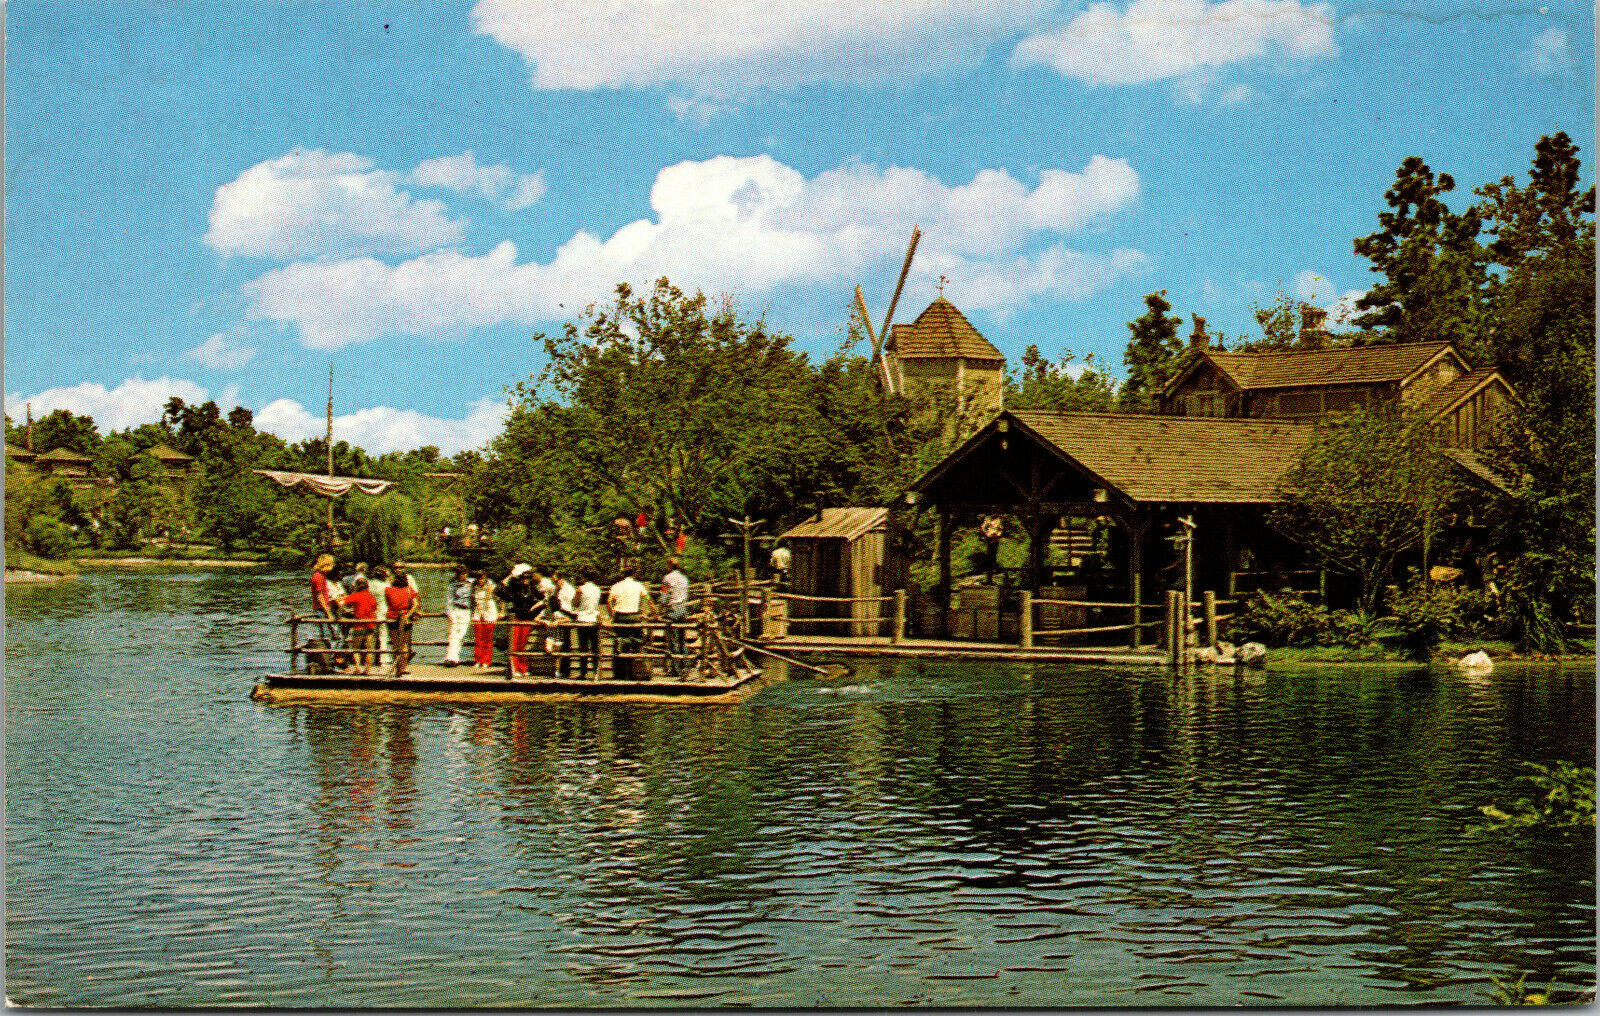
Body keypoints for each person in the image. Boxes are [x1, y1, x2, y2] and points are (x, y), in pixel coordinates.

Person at [501, 564, 544, 677]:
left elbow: (543, 600)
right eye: (523, 578)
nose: (525, 580)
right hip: (517, 618)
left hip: (528, 619)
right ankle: (514, 668)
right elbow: (499, 591)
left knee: (522, 645)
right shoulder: (515, 588)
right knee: (514, 644)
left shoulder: (532, 589)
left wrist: (534, 611)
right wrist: (510, 576)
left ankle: (523, 668)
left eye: (528, 578)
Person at [384, 560, 422, 675]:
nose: (399, 569)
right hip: (405, 617)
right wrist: (410, 614)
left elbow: (388, 602)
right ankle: (401, 668)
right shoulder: (408, 590)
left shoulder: (388, 589)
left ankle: (398, 668)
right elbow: (415, 602)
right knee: (404, 646)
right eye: (396, 567)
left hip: (392, 617)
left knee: (396, 645)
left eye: (401, 567)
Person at [608, 566, 648, 671]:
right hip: (633, 616)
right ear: (633, 574)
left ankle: (620, 669)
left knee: (620, 640)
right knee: (636, 640)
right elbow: (647, 598)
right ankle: (634, 667)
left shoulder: (616, 586)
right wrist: (653, 612)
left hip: (620, 616)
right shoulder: (638, 585)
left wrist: (612, 614)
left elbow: (609, 601)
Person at [338, 577, 379, 674]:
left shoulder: (355, 595)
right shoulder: (371, 596)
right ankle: (367, 670)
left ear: (357, 586)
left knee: (356, 648)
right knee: (369, 648)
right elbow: (374, 609)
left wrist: (341, 613)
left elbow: (341, 603)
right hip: (370, 623)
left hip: (358, 625)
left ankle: (357, 668)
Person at [659, 557, 691, 676]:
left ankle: (675, 669)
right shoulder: (684, 579)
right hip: (682, 609)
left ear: (670, 566)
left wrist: (660, 610)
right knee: (682, 639)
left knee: (672, 640)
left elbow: (663, 595)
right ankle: (685, 666)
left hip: (672, 610)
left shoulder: (666, 579)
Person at [573, 570, 602, 679]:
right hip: (593, 619)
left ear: (584, 577)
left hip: (582, 619)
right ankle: (596, 672)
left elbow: (574, 603)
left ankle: (583, 672)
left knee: (583, 647)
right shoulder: (597, 589)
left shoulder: (580, 589)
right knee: (595, 646)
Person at [551, 569, 578, 678]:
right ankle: (559, 670)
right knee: (558, 645)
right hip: (559, 617)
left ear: (561, 579)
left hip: (566, 617)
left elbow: (572, 607)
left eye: (556, 581)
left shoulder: (569, 590)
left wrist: (565, 618)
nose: (555, 584)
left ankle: (565, 670)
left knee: (565, 644)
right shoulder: (557, 589)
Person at [443, 566, 472, 667]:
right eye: (461, 573)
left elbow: (487, 583)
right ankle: (451, 658)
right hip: (455, 609)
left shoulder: (471, 583)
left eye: (465, 573)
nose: (463, 575)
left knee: (461, 634)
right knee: (453, 634)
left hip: (466, 611)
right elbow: (449, 599)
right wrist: (449, 613)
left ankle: (454, 657)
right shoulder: (453, 585)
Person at [469, 571, 498, 671]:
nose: (481, 580)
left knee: (487, 638)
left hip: (489, 614)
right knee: (478, 638)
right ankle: (478, 660)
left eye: (483, 578)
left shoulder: (491, 586)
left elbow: (499, 598)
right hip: (478, 613)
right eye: (479, 578)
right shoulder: (474, 587)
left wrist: (502, 611)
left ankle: (486, 660)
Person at [310, 553, 340, 644]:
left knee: (330, 634)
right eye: (331, 565)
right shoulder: (318, 577)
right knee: (331, 635)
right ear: (326, 565)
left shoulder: (321, 575)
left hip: (323, 608)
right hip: (322, 609)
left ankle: (331, 654)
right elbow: (320, 597)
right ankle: (331, 655)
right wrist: (328, 612)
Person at [369, 565, 392, 667]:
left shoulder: (370, 584)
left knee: (371, 637)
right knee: (383, 636)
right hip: (383, 611)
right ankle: (383, 659)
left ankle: (370, 659)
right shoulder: (386, 586)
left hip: (372, 612)